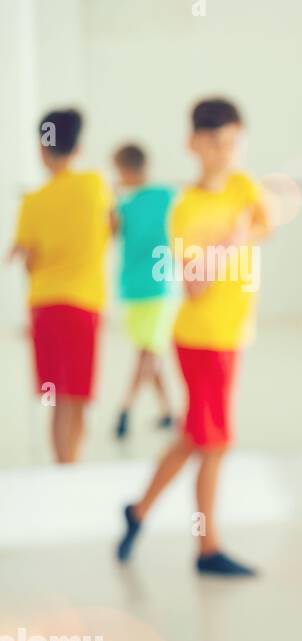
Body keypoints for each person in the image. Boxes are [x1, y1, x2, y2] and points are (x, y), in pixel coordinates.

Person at [116, 97, 270, 577]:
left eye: (234, 143)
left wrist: (243, 235)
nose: (227, 153)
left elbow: (263, 226)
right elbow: (196, 284)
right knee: (214, 441)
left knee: (197, 436)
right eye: (217, 144)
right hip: (202, 339)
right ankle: (207, 548)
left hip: (233, 335)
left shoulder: (244, 187)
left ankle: (139, 511)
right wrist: (233, 240)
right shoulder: (184, 209)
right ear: (194, 145)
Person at [8, 108, 113, 464]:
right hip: (84, 304)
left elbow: (24, 256)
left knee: (54, 395)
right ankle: (72, 463)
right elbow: (111, 227)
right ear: (78, 146)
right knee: (78, 394)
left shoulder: (33, 202)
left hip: (45, 306)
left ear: (42, 147)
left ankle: (61, 463)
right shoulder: (95, 185)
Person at [110, 143, 177, 439]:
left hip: (147, 287)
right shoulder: (165, 198)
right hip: (147, 287)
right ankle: (168, 412)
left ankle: (126, 406)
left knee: (148, 350)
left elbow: (110, 234)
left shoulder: (130, 205)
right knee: (150, 350)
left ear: (124, 169)